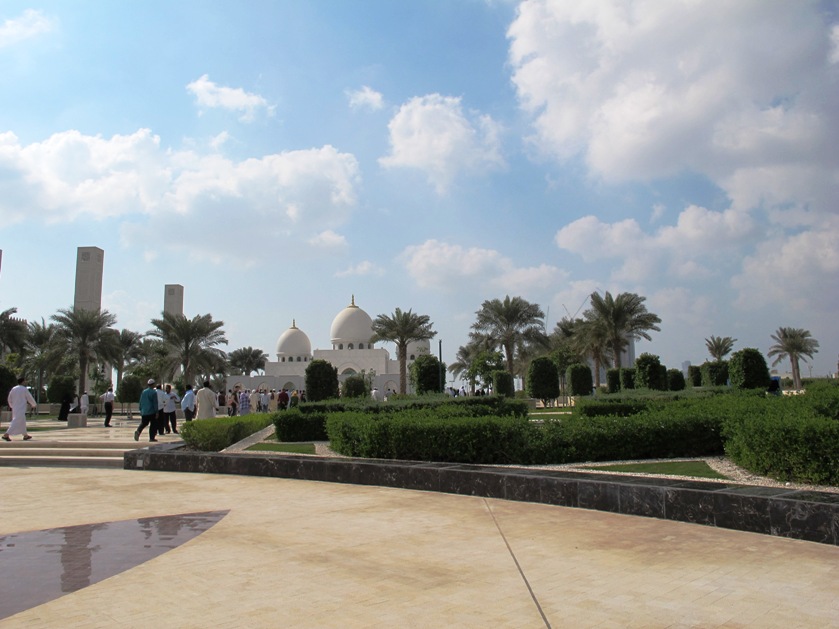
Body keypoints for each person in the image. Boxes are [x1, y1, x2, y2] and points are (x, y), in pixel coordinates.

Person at [2, 377, 37, 441]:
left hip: (15, 408)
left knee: (22, 422)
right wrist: (33, 404)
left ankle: (25, 435)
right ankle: (6, 434)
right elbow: (29, 397)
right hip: (21, 408)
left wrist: (11, 406)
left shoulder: (14, 389)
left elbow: (9, 398)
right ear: (23, 382)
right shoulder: (24, 389)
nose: (26, 382)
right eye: (25, 381)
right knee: (16, 421)